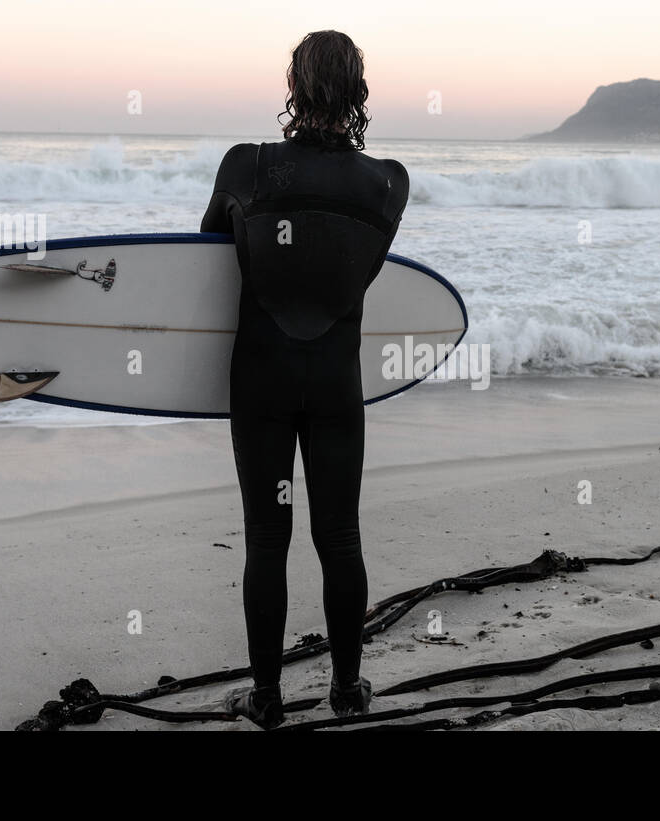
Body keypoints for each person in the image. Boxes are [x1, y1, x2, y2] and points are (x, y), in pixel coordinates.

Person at [200, 30, 410, 729]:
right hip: (333, 385)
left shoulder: (246, 167)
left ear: (294, 84)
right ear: (358, 89)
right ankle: (347, 689)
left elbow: (203, 259)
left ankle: (265, 698)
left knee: (266, 536)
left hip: (260, 380)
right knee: (340, 535)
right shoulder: (388, 184)